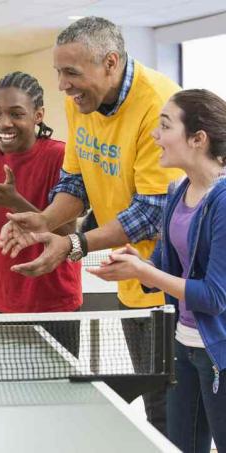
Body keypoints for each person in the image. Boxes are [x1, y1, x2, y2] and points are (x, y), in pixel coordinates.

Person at [0, 16, 183, 432]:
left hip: (171, 290)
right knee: (156, 415)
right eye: (59, 73)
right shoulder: (80, 100)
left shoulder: (158, 106)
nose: (62, 85)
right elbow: (76, 181)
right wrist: (43, 219)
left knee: (169, 416)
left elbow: (151, 212)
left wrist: (75, 244)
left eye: (71, 73)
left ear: (111, 62)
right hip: (131, 282)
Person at [88, 89, 226, 453]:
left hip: (219, 354)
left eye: (164, 126)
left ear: (198, 139)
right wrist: (138, 266)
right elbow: (170, 271)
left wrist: (145, 273)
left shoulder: (224, 201)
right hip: (184, 345)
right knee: (180, 447)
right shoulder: (176, 191)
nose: (154, 136)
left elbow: (213, 297)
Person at [0, 72, 82, 355]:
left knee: (59, 395)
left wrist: (15, 200)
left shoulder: (60, 156)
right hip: (6, 301)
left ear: (38, 115)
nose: (4, 123)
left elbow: (68, 236)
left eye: (16, 114)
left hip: (56, 304)